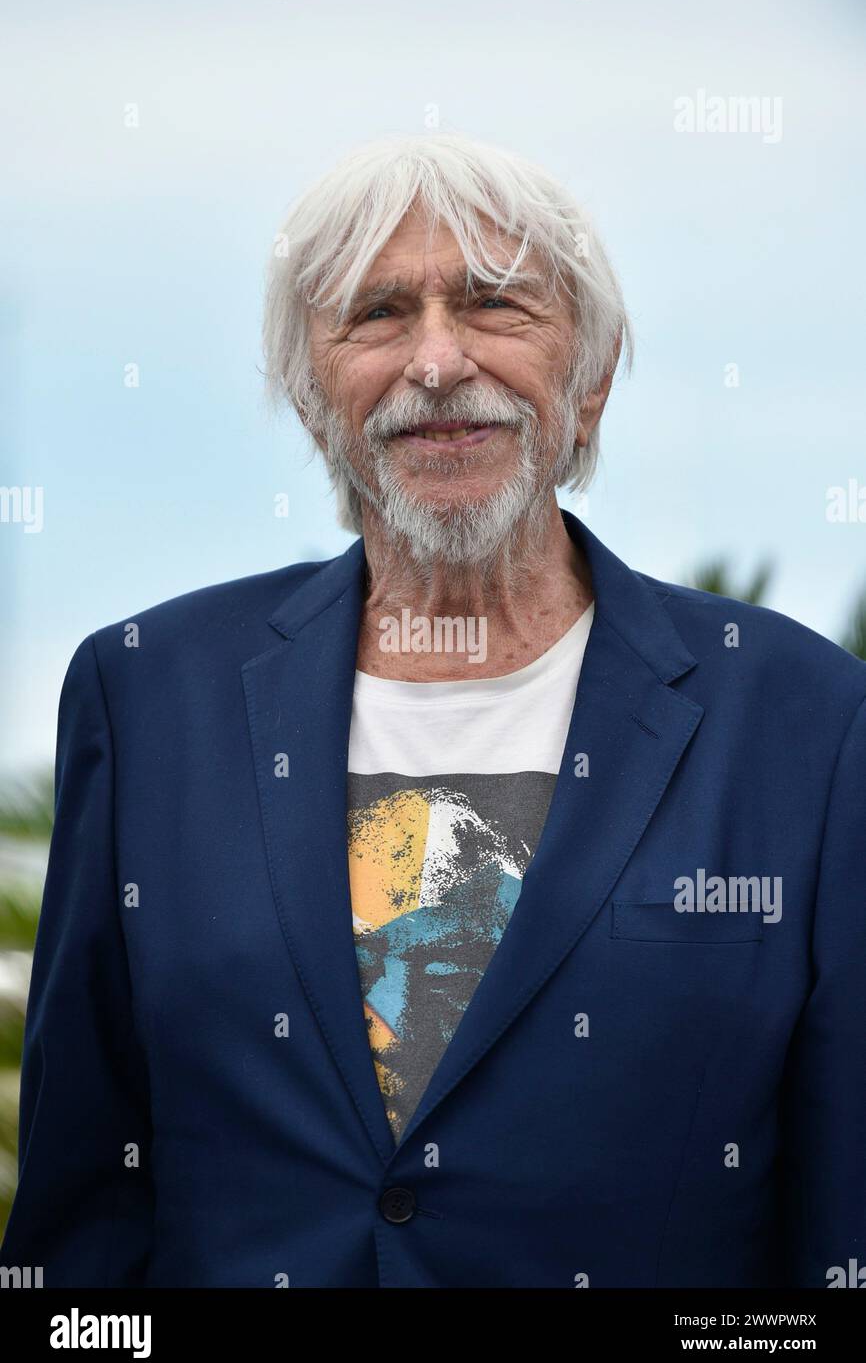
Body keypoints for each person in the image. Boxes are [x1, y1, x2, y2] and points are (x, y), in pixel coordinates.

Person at [2, 133, 864, 1288]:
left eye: (497, 307)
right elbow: (80, 1218)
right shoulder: (148, 693)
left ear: (590, 380)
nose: (436, 361)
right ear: (313, 401)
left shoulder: (802, 721)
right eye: (376, 315)